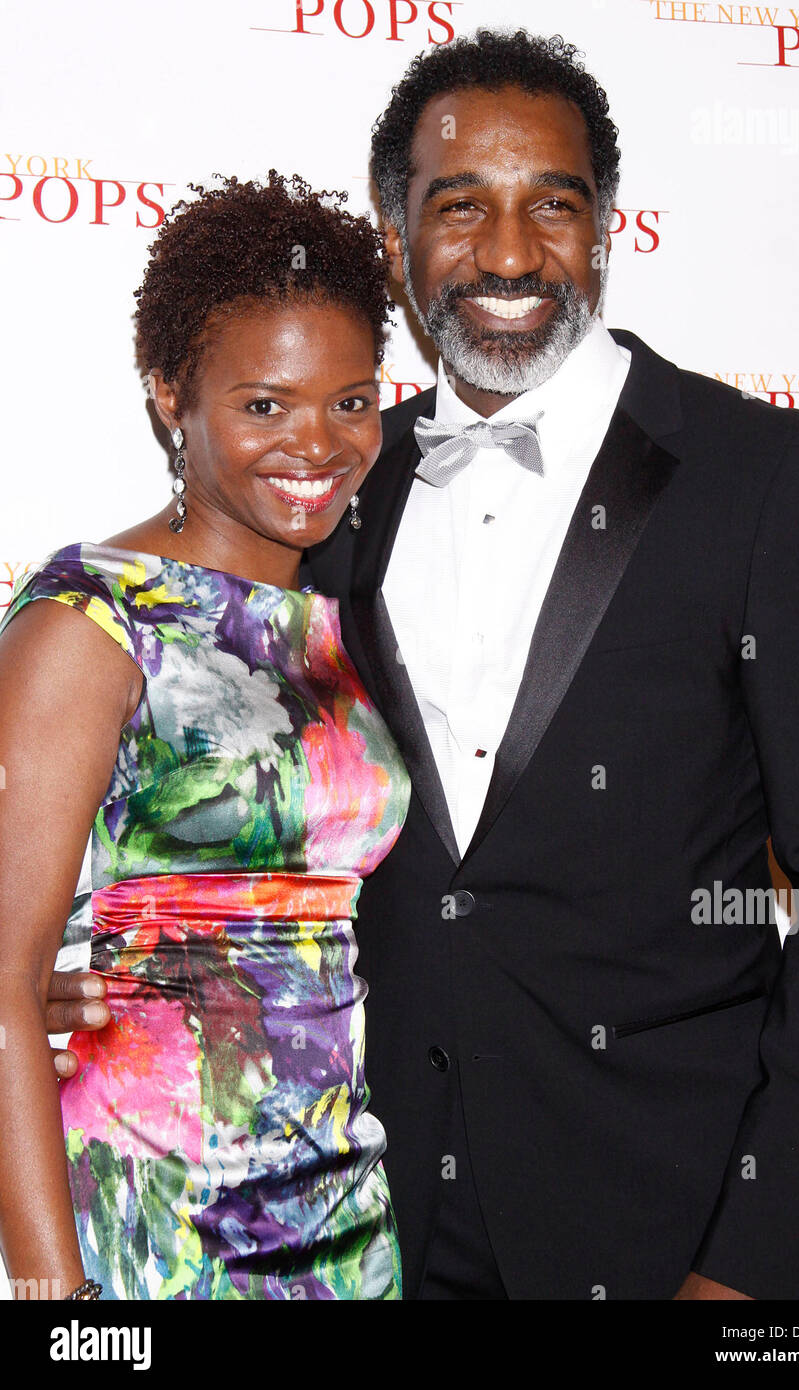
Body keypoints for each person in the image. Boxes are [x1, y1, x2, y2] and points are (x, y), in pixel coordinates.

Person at [45, 29, 799, 1301]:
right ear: (397, 238)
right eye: (461, 207)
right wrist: (100, 970)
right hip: (361, 1221)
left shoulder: (765, 478)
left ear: (606, 225)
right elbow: (210, 743)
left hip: (670, 1225)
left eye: (551, 205)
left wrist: (758, 1267)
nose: (509, 253)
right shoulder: (329, 483)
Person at [0, 172, 411, 1300]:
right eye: (264, 405)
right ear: (170, 394)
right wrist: (54, 1302)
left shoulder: (344, 623)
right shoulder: (89, 617)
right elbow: (3, 974)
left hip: (346, 1199)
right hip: (159, 1206)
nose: (317, 443)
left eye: (351, 399)